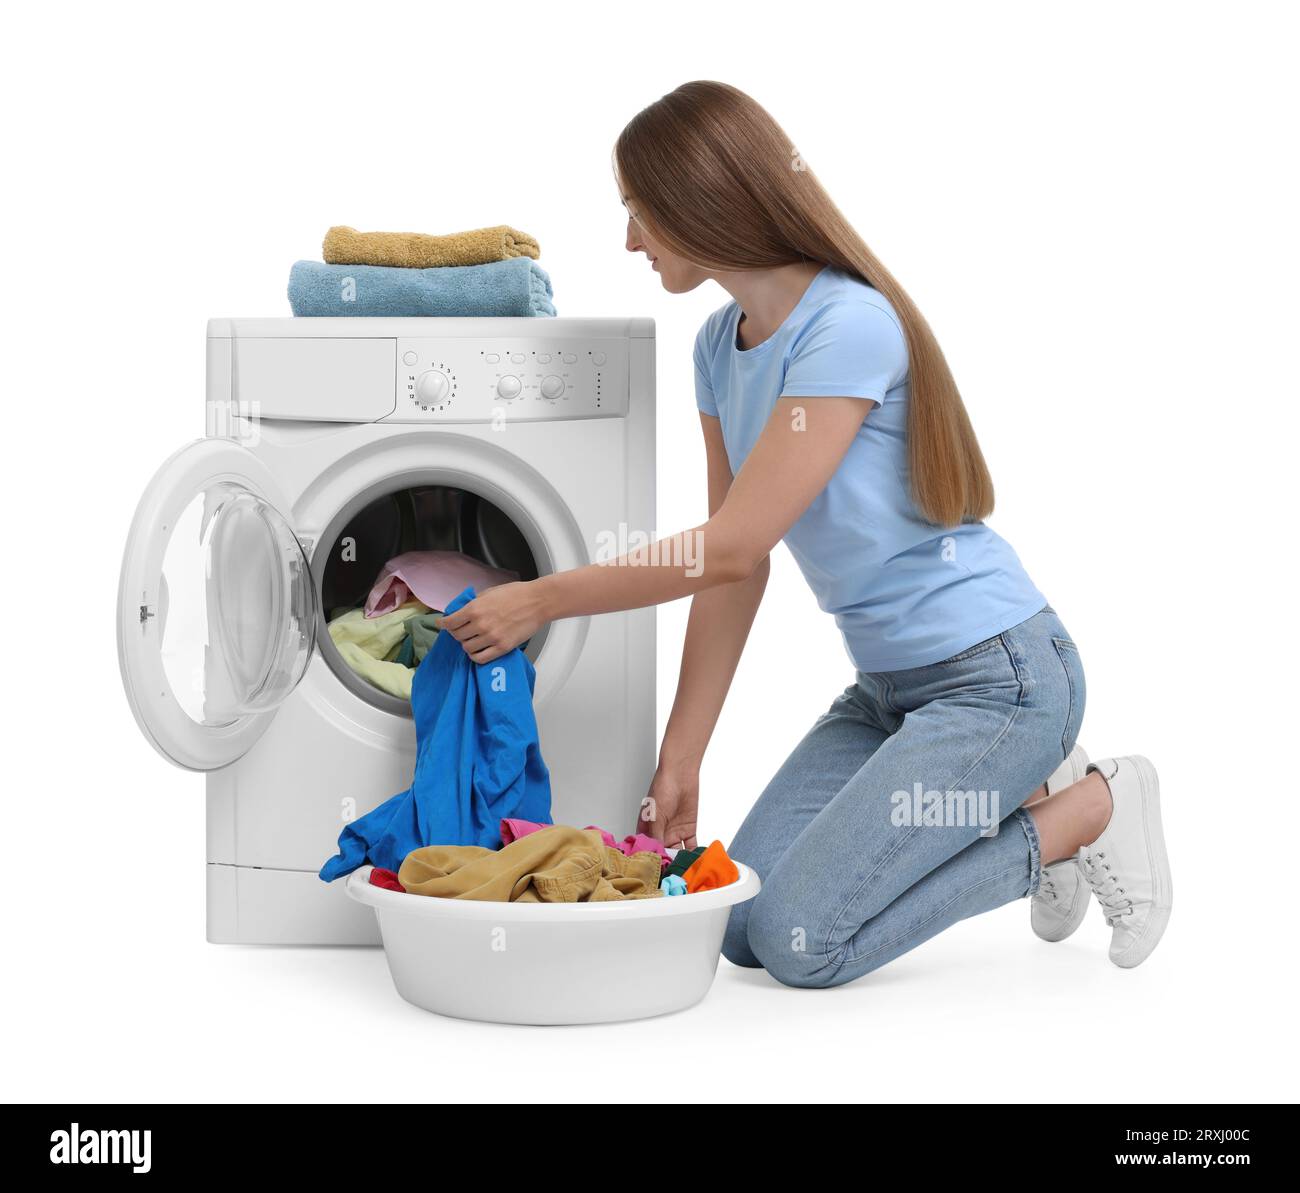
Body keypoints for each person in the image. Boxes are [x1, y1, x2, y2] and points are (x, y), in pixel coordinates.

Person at [439, 80, 1172, 987]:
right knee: (740, 918)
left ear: (699, 202)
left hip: (1002, 680)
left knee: (800, 941)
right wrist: (681, 757)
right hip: (891, 693)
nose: (630, 240)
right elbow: (731, 569)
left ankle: (1088, 810)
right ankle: (1025, 787)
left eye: (639, 214)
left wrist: (545, 598)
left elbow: (735, 545)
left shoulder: (848, 325)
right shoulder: (716, 348)